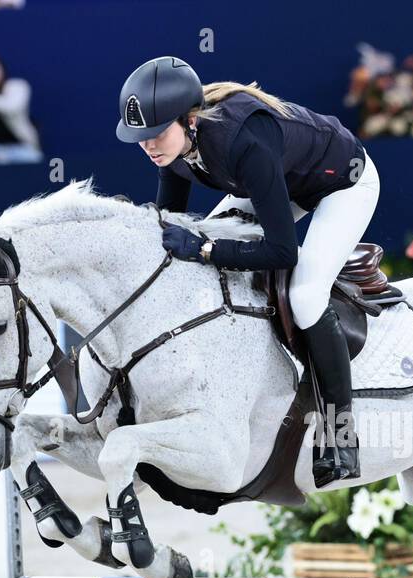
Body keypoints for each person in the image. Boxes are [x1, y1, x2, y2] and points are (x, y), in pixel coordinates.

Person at [116, 56, 378, 486]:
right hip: (276, 183)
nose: (149, 146)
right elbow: (169, 223)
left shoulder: (243, 141)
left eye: (157, 133)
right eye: (141, 137)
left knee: (305, 295)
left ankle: (341, 438)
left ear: (189, 119)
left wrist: (205, 248)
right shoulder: (175, 148)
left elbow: (282, 251)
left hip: (341, 182)